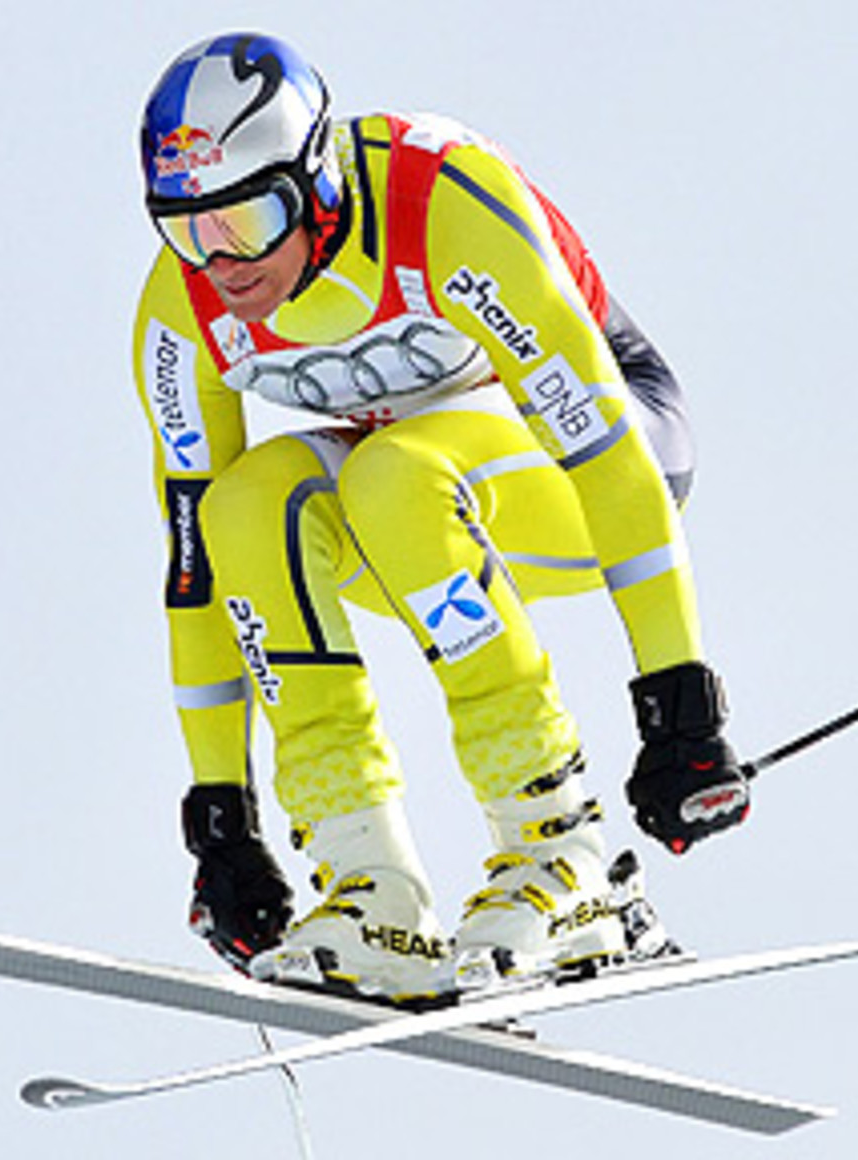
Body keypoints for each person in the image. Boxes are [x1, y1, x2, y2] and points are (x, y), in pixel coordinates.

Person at [132, 31, 750, 1003]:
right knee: (244, 508)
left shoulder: (442, 203)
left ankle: (563, 851)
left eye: (249, 218)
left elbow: (606, 454)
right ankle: (369, 886)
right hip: (413, 505)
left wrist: (679, 699)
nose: (223, 262)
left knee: (393, 476)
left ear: (318, 182)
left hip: (599, 454)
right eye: (185, 226)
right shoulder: (184, 313)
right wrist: (222, 813)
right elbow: (194, 573)